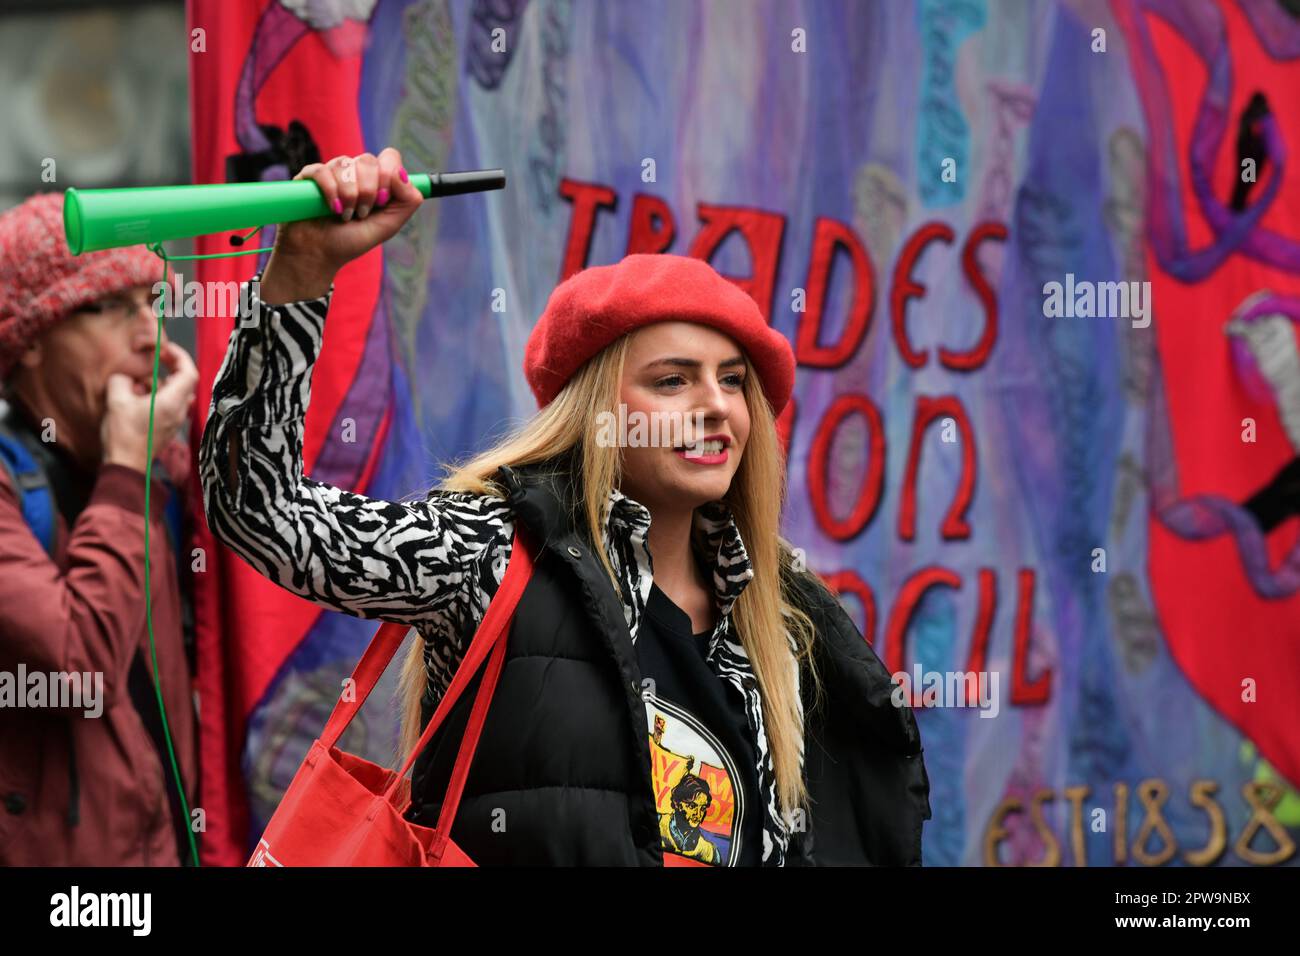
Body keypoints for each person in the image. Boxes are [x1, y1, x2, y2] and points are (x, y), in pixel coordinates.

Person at [199, 147, 931, 866]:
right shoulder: (492, 549)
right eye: (673, 381)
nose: (715, 406)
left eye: (733, 380)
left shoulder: (786, 618)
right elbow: (260, 510)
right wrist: (300, 274)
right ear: (596, 412)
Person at [0, 192, 200, 866]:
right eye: (108, 308)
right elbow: (80, 667)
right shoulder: (129, 471)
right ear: (28, 341)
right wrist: (126, 471)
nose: (148, 335)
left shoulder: (171, 470)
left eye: (152, 304)